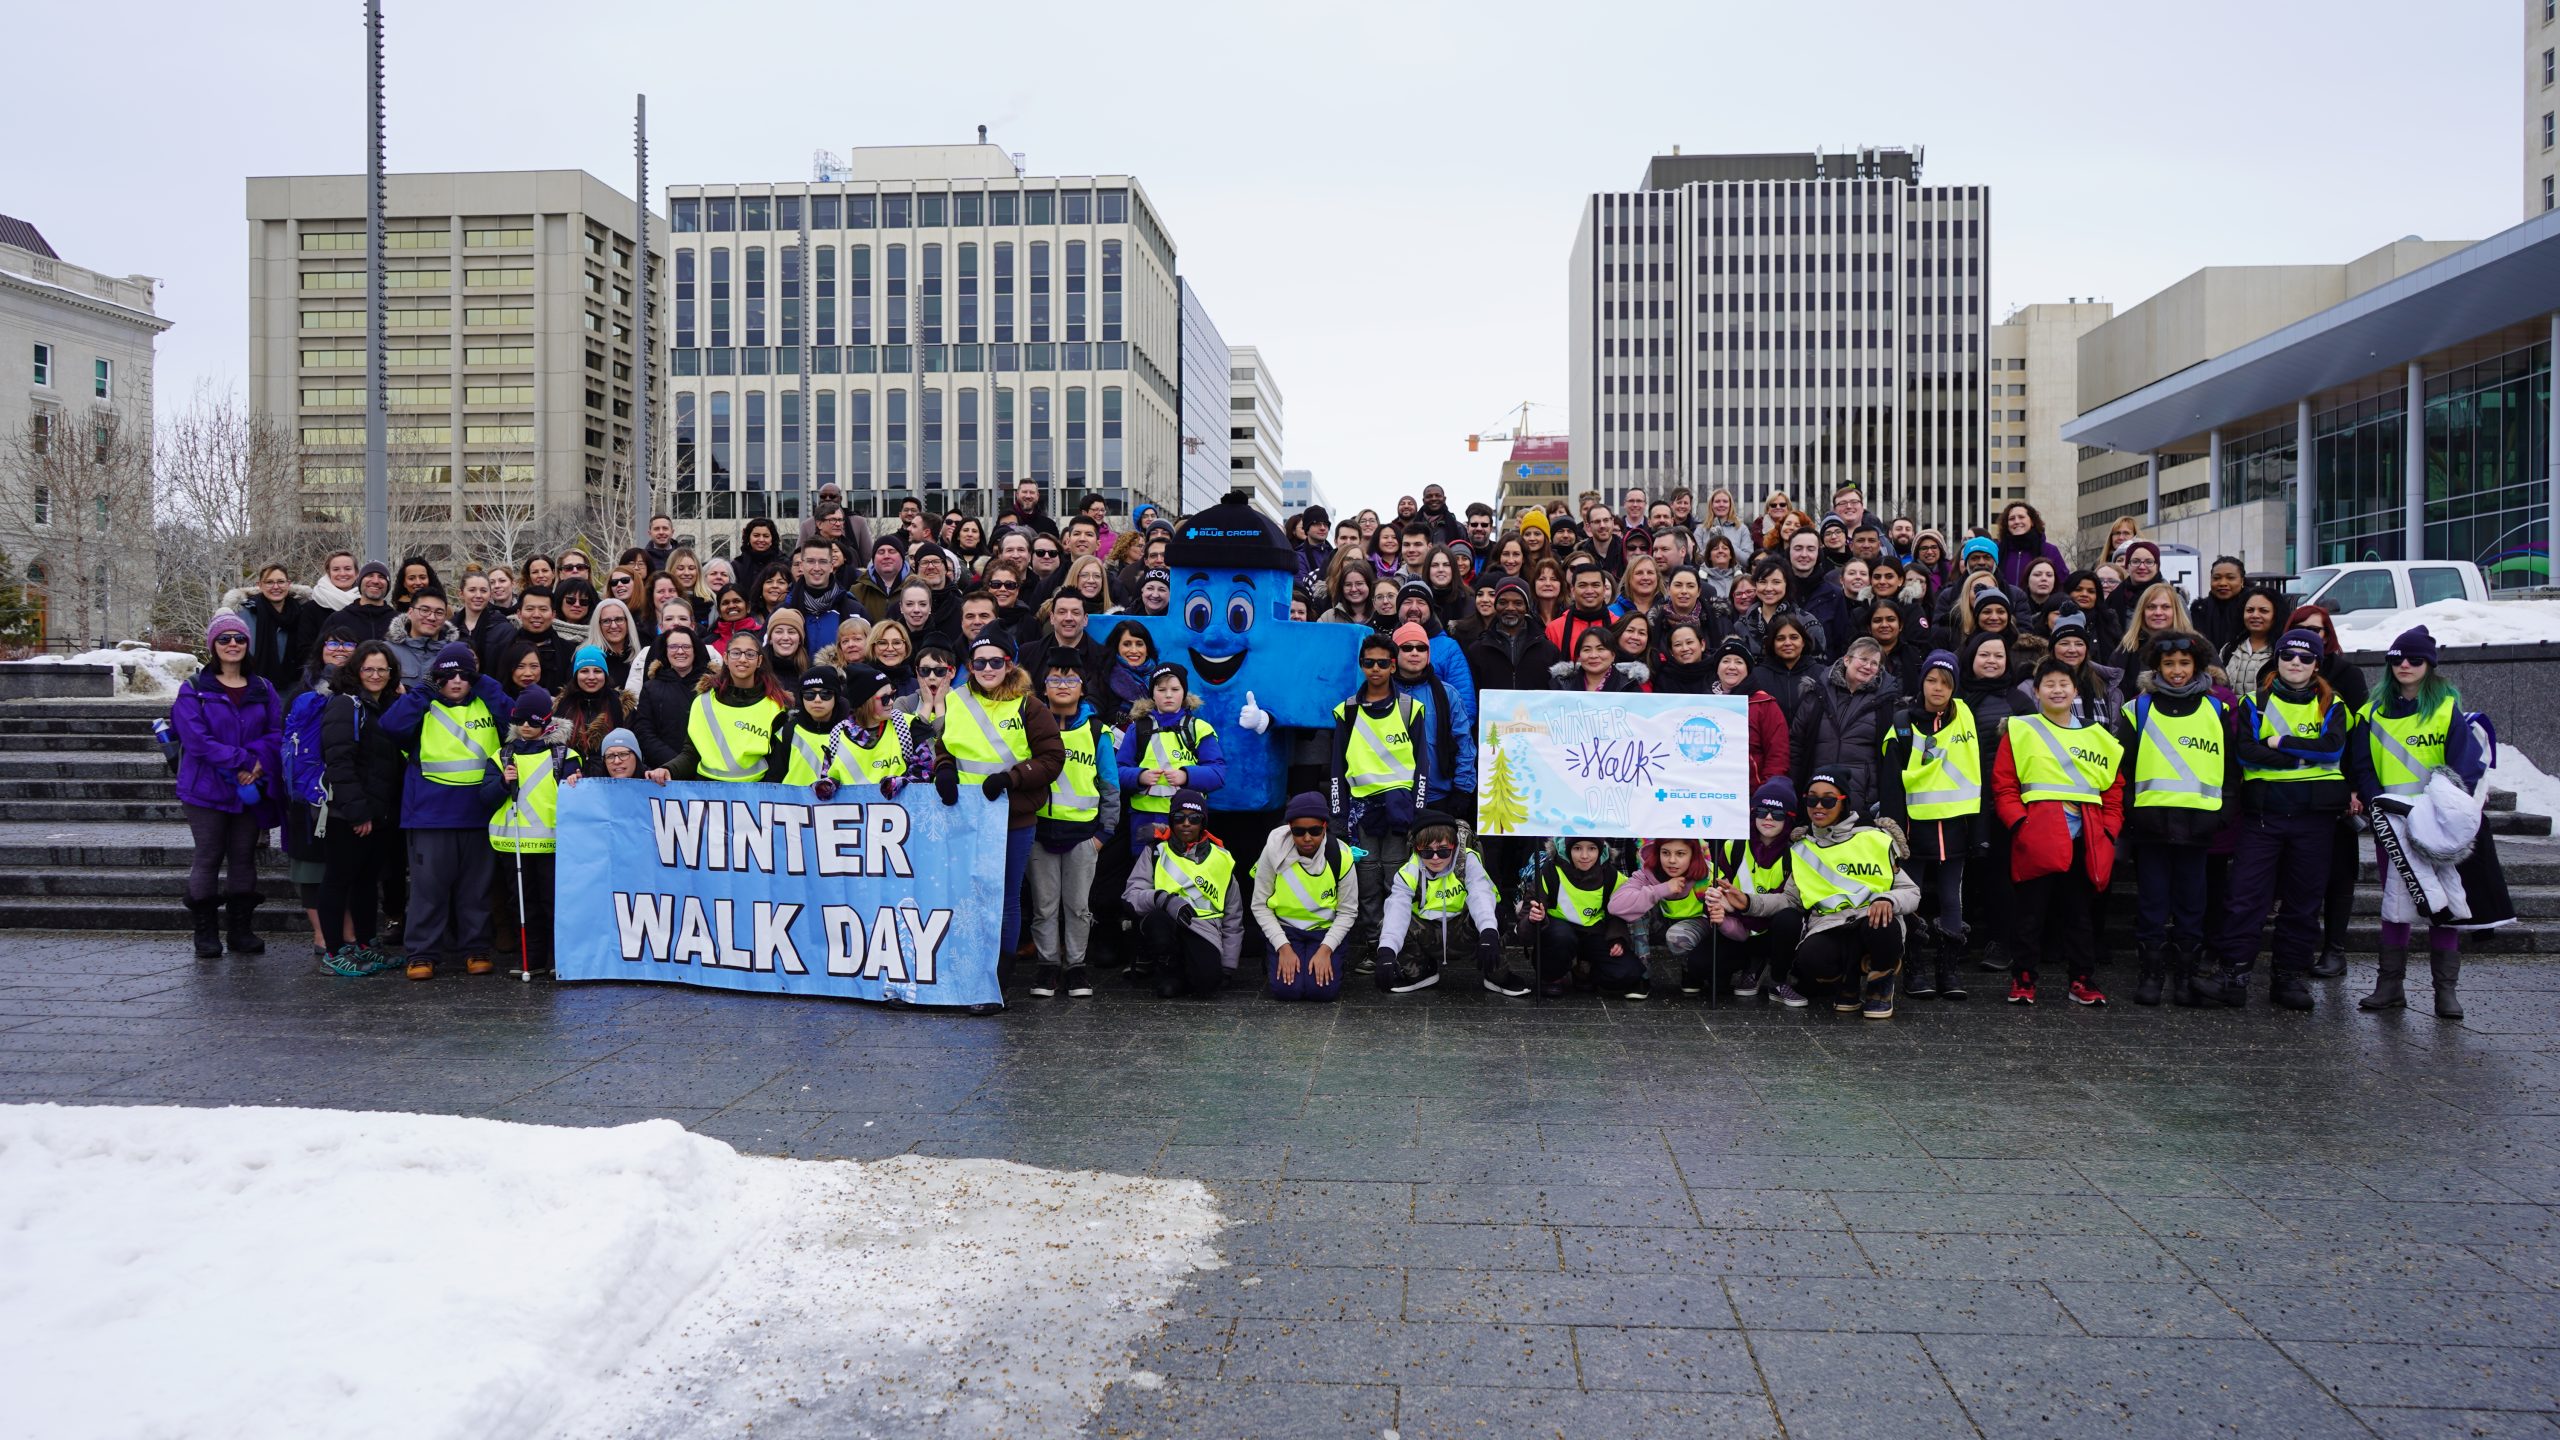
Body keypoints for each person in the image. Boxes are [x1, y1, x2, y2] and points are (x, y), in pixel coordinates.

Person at [2350, 626, 2513, 1019]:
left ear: (2430, 665)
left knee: (2445, 904)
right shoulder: (2370, 712)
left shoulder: (2445, 710)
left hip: (2435, 823)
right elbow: (2361, 765)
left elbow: (2463, 766)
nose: (2404, 665)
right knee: (2396, 902)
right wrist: (2377, 803)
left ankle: (2445, 992)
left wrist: (2439, 809)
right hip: (2392, 821)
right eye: (2396, 658)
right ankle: (2389, 986)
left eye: (2415, 659)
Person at [2192, 629, 2346, 1012]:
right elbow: (2246, 753)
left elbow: (2332, 750)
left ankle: (2288, 978)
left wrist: (2276, 743)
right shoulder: (2253, 702)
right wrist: (2300, 756)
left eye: (2306, 658)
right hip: (2264, 815)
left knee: (2303, 901)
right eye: (2289, 656)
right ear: (2276, 659)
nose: (2296, 663)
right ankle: (2233, 977)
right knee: (2245, 898)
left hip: (2315, 817)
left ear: (2317, 664)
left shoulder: (2333, 704)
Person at [1737, 772, 1918, 1018]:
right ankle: (1848, 982)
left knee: (1882, 922)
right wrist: (1748, 902)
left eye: (1828, 800)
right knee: (1810, 958)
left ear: (1844, 802)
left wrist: (1887, 899)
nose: (1818, 807)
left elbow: (1910, 891)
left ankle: (1880, 986)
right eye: (1812, 800)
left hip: (1871, 921)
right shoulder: (1803, 846)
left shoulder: (1876, 839)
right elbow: (1789, 900)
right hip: (1830, 925)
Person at [938, 631, 1065, 981]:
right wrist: (944, 770)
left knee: (1004, 896)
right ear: (970, 667)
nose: (988, 668)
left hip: (1012, 815)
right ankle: (964, 969)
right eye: (980, 662)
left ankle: (998, 977)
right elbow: (945, 746)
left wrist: (1014, 778)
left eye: (997, 661)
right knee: (965, 894)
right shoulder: (955, 700)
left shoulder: (1029, 705)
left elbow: (1053, 758)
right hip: (965, 815)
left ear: (1009, 665)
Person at [379, 643, 510, 981]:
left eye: (464, 674)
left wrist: (485, 683)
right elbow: (391, 726)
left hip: (479, 812)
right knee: (428, 890)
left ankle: (476, 949)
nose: (456, 681)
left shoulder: (486, 701)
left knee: (476, 890)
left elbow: (514, 718)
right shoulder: (425, 705)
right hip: (430, 814)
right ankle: (422, 953)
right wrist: (423, 691)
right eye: (447, 675)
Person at [2115, 633, 2230, 1006]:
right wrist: (2133, 813)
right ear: (2157, 667)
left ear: (2196, 665)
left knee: (2191, 904)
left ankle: (2185, 975)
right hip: (2151, 826)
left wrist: (2223, 813)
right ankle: (2151, 975)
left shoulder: (2217, 710)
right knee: (2151, 903)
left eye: (2184, 663)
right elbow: (2125, 768)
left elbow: (2231, 770)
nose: (2177, 671)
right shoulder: (2138, 709)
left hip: (2198, 826)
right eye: (2169, 664)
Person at [173, 613, 286, 959]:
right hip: (205, 789)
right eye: (225, 639)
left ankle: (241, 929)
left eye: (239, 638)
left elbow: (277, 731)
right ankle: (205, 932)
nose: (233, 644)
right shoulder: (194, 689)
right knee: (208, 856)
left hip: (250, 787)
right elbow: (197, 741)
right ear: (213, 646)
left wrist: (256, 763)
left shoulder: (262, 687)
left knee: (243, 857)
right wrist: (241, 762)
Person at [1878, 650, 1981, 1001]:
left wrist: (1979, 832)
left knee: (1953, 899)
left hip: (1955, 828)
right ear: (1921, 682)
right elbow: (1891, 782)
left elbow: (1975, 775)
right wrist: (1893, 830)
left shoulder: (1964, 718)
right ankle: (1915, 966)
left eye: (1946, 682)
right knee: (1912, 899)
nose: (1938, 688)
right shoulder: (1903, 722)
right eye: (1932, 680)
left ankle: (1948, 969)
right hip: (1913, 830)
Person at [1022, 655, 1120, 999]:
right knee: (1044, 906)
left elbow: (1110, 785)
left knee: (1078, 906)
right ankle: (1048, 967)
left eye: (1070, 680)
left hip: (1083, 836)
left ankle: (1076, 967)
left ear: (1083, 688)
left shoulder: (1097, 731)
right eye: (1054, 680)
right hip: (1039, 833)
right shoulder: (1030, 726)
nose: (1062, 686)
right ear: (1043, 688)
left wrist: (1103, 834)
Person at [1332, 633, 1431, 967]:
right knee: (1367, 880)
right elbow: (1336, 768)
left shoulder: (1409, 708)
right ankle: (1376, 944)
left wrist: (1418, 811)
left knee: (1396, 880)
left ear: (1393, 665)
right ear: (1361, 665)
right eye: (1368, 663)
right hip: (1360, 814)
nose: (1375, 669)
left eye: (1383, 663)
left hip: (1399, 813)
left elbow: (1422, 766)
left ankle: (1398, 945)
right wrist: (1337, 814)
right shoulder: (1346, 710)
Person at [315, 638, 406, 974]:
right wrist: (358, 812)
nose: (376, 674)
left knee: (367, 881)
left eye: (383, 669)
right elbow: (339, 761)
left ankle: (366, 944)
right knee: (338, 880)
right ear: (356, 670)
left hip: (378, 812)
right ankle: (333, 951)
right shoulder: (345, 705)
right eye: (369, 668)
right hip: (348, 814)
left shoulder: (382, 706)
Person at [489, 686, 580, 976]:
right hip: (514, 844)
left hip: (553, 845)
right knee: (524, 906)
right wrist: (503, 783)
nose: (527, 727)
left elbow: (577, 797)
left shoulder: (566, 755)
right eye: (521, 721)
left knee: (554, 904)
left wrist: (577, 781)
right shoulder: (502, 756)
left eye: (535, 721)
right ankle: (531, 958)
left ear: (547, 721)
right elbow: (484, 797)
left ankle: (557, 958)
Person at [1122, 789, 1241, 998]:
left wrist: (1228, 965)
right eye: (1179, 818)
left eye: (1194, 818)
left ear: (1203, 822)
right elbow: (1131, 897)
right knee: (1157, 921)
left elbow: (1234, 915)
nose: (1186, 823)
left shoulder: (1222, 858)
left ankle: (1190, 974)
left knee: (1208, 985)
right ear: (1171, 820)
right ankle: (1169, 971)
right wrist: (1163, 899)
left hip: (1205, 929)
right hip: (1167, 923)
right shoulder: (1156, 852)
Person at [1372, 810, 1503, 995]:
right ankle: (1420, 972)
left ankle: (1498, 975)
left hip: (1464, 931)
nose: (1435, 858)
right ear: (1417, 849)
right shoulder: (1409, 871)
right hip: (1429, 935)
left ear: (1454, 845)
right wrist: (1386, 952)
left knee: (1495, 914)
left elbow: (1480, 894)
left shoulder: (1468, 861)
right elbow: (1397, 910)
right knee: (1388, 921)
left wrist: (1489, 932)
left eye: (1443, 851)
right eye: (1426, 851)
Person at [1704, 781, 1807, 1004]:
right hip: (1740, 927)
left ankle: (1778, 980)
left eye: (1777, 813)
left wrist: (1743, 903)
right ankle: (1753, 965)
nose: (1768, 818)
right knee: (1701, 968)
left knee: (1789, 919)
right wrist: (1716, 901)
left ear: (1789, 817)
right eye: (1761, 811)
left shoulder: (1797, 852)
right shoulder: (1734, 845)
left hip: (1773, 929)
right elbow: (1717, 887)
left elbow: (1791, 901)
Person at [1251, 794, 1361, 1002]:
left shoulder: (1342, 856)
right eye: (1299, 832)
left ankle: (1335, 960)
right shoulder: (1272, 851)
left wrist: (1326, 949)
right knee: (1287, 991)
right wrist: (1282, 946)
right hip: (1286, 929)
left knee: (1321, 992)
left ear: (1325, 827)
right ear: (1290, 827)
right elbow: (1259, 905)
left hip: (1324, 930)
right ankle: (1274, 956)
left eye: (1315, 831)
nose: (1307, 838)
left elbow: (1347, 911)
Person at [1519, 836, 1636, 999]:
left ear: (1600, 850)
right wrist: (1533, 918)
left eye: (1592, 849)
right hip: (1558, 934)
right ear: (1568, 850)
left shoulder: (1611, 874)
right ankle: (1551, 976)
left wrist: (1618, 938)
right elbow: (1524, 926)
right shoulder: (1551, 870)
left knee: (1627, 973)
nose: (1585, 856)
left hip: (1593, 933)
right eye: (1577, 848)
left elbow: (1616, 912)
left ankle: (1584, 968)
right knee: (1562, 937)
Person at [1790, 637, 1898, 806]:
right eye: (1863, 659)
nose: (1868, 666)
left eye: (1874, 663)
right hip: (1817, 796)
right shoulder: (1817, 694)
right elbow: (1796, 743)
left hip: (1861, 799)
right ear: (1846, 660)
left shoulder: (1886, 703)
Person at [676, 630, 786, 782]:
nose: (742, 659)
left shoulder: (775, 706)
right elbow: (691, 753)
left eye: (750, 654)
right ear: (725, 658)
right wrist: (668, 770)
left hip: (756, 794)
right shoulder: (703, 702)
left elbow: (778, 761)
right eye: (736, 653)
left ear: (759, 661)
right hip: (710, 792)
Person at [218, 563, 323, 692]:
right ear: (260, 585)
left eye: (280, 581)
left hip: (294, 685)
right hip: (252, 685)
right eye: (269, 582)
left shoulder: (302, 611)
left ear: (288, 584)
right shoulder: (244, 612)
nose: (276, 587)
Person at [382, 585, 458, 687]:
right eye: (425, 610)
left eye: (439, 613)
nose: (432, 617)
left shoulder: (454, 653)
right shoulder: (387, 651)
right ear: (410, 612)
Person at [2221, 588, 2283, 695]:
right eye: (2250, 610)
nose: (2255, 615)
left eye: (2263, 611)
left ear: (2275, 615)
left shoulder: (2282, 653)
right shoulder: (2229, 649)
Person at [2189, 557, 2252, 654]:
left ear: (2242, 581)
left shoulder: (2253, 609)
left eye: (2230, 578)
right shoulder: (2199, 610)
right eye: (2216, 578)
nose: (2222, 583)